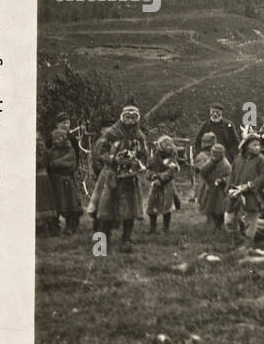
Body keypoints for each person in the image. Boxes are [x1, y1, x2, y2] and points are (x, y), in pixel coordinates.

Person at [89, 102, 149, 252]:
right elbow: (99, 152)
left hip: (129, 177)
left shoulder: (139, 136)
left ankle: (126, 241)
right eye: (127, 117)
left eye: (133, 117)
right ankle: (100, 246)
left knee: (130, 210)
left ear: (137, 118)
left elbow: (144, 155)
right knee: (105, 210)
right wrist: (113, 159)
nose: (130, 120)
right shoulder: (111, 133)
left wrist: (136, 164)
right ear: (122, 117)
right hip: (111, 176)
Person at [225, 133, 264, 250]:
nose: (257, 147)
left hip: (252, 195)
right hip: (235, 193)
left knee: (251, 220)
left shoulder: (261, 160)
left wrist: (250, 185)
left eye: (259, 145)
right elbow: (232, 174)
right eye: (254, 145)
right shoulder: (238, 159)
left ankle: (247, 245)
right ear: (246, 146)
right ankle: (235, 241)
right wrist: (228, 188)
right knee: (229, 219)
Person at [46, 127, 82, 235]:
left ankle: (70, 226)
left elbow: (70, 163)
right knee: (54, 205)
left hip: (66, 180)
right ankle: (54, 227)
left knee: (70, 204)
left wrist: (54, 163)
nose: (56, 141)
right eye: (54, 139)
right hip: (53, 181)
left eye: (59, 138)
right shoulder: (51, 151)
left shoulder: (69, 150)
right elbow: (46, 161)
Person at [145, 135, 180, 234]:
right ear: (160, 146)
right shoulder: (154, 159)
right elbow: (149, 169)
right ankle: (152, 228)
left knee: (166, 206)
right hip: (155, 184)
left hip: (167, 185)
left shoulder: (171, 159)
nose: (168, 147)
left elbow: (172, 170)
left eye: (170, 145)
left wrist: (162, 177)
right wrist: (153, 177)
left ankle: (166, 228)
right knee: (152, 205)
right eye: (165, 145)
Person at [197, 143, 232, 230]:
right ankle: (212, 222)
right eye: (213, 155)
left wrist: (222, 180)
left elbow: (230, 177)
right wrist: (211, 164)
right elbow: (203, 172)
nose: (215, 157)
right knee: (209, 206)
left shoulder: (226, 165)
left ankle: (219, 224)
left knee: (220, 208)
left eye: (217, 155)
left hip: (220, 190)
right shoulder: (209, 163)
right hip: (209, 188)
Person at [36, 133, 59, 236]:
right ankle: (46, 227)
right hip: (40, 176)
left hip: (40, 177)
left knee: (43, 203)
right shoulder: (40, 143)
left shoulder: (39, 144)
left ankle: (44, 228)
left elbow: (42, 161)